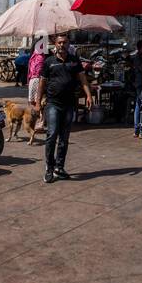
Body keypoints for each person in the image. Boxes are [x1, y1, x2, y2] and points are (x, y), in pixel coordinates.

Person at [37, 33, 92, 182]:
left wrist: (88, 95)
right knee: (52, 134)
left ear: (69, 44)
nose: (62, 45)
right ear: (55, 44)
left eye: (65, 42)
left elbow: (83, 80)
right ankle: (49, 167)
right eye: (60, 42)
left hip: (69, 104)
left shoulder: (74, 61)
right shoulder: (49, 62)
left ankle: (59, 167)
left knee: (64, 138)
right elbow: (42, 83)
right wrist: (37, 102)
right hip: (53, 104)